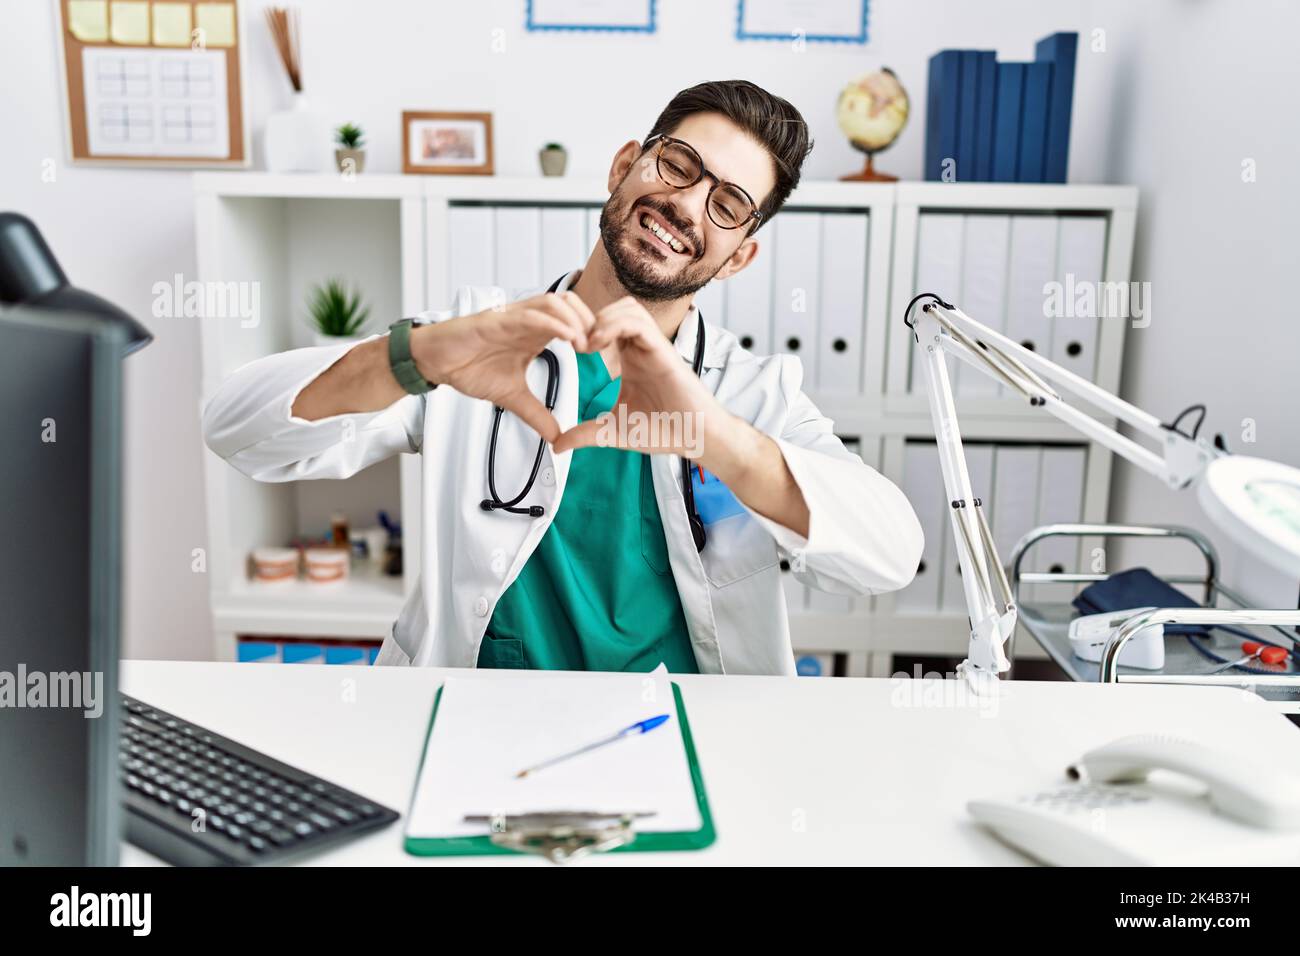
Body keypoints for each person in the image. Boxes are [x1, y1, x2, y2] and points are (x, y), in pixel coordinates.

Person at [202, 79, 924, 675]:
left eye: (729, 204)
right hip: (470, 720)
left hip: (676, 733)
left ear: (738, 257)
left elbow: (892, 556)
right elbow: (236, 429)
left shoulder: (751, 394)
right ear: (623, 168)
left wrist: (714, 436)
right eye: (677, 165)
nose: (685, 204)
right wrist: (417, 356)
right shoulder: (481, 339)